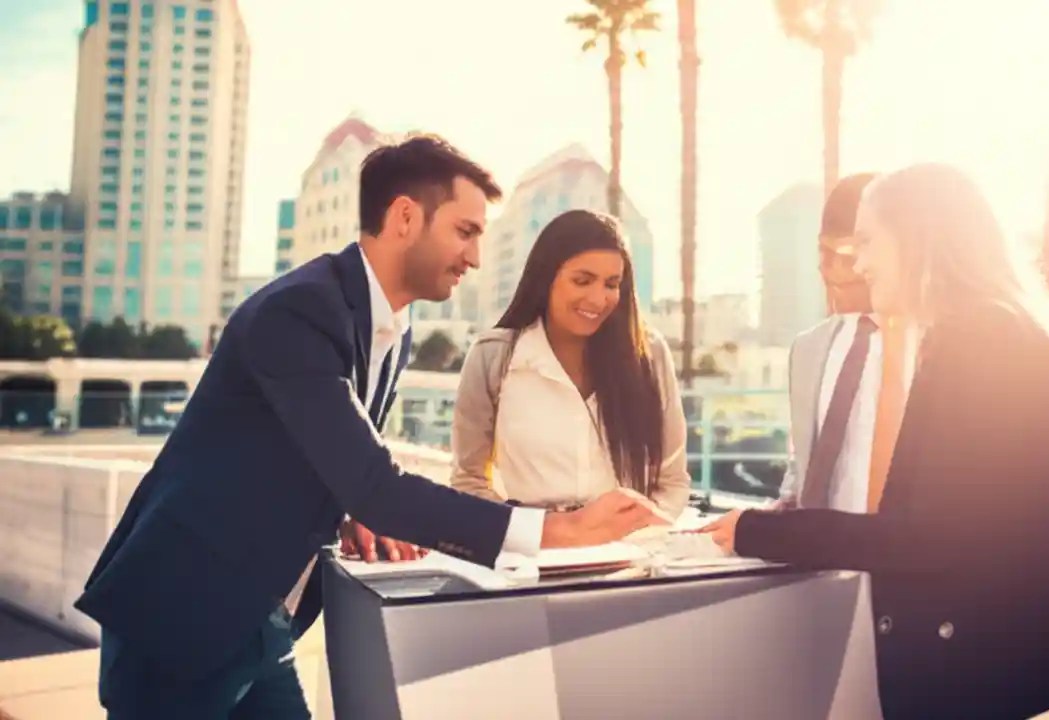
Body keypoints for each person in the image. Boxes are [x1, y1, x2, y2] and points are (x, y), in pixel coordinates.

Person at [76, 136, 660, 719]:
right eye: (465, 231)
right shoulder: (299, 312)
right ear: (406, 216)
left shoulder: (392, 330)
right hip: (183, 615)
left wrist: (346, 510)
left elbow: (326, 455)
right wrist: (562, 530)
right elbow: (377, 483)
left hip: (263, 623)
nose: (476, 257)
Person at [701, 163, 1049, 719]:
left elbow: (927, 538)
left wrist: (758, 531)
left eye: (866, 241)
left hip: (1045, 675)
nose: (857, 263)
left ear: (916, 240)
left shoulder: (979, 337)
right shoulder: (988, 327)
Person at [451, 209, 690, 520]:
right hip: (534, 551)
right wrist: (539, 531)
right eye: (582, 280)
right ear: (546, 277)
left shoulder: (650, 353)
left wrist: (638, 532)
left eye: (611, 283)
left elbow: (672, 483)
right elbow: (468, 481)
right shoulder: (493, 356)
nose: (598, 298)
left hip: (631, 551)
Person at [772, 172, 915, 514]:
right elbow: (803, 466)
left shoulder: (934, 347)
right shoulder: (808, 349)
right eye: (824, 252)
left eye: (849, 255)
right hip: (818, 562)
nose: (834, 270)